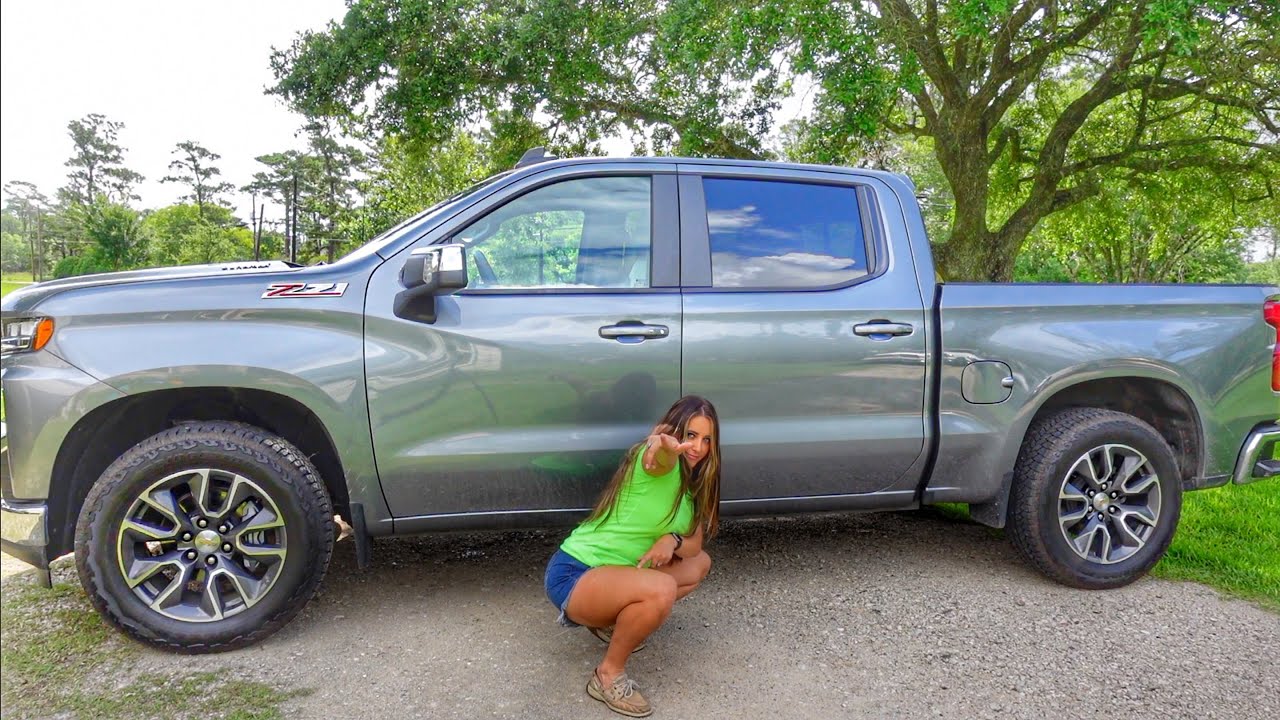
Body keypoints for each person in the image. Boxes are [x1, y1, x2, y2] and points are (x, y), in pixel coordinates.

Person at [543, 395, 722, 717]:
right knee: (660, 590)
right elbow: (661, 457)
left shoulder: (690, 490)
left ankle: (614, 622)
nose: (697, 447)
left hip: (613, 575)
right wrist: (663, 445)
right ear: (674, 432)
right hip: (575, 573)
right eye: (690, 436)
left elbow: (693, 545)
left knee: (700, 565)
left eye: (706, 439)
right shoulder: (653, 463)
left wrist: (672, 539)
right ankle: (607, 676)